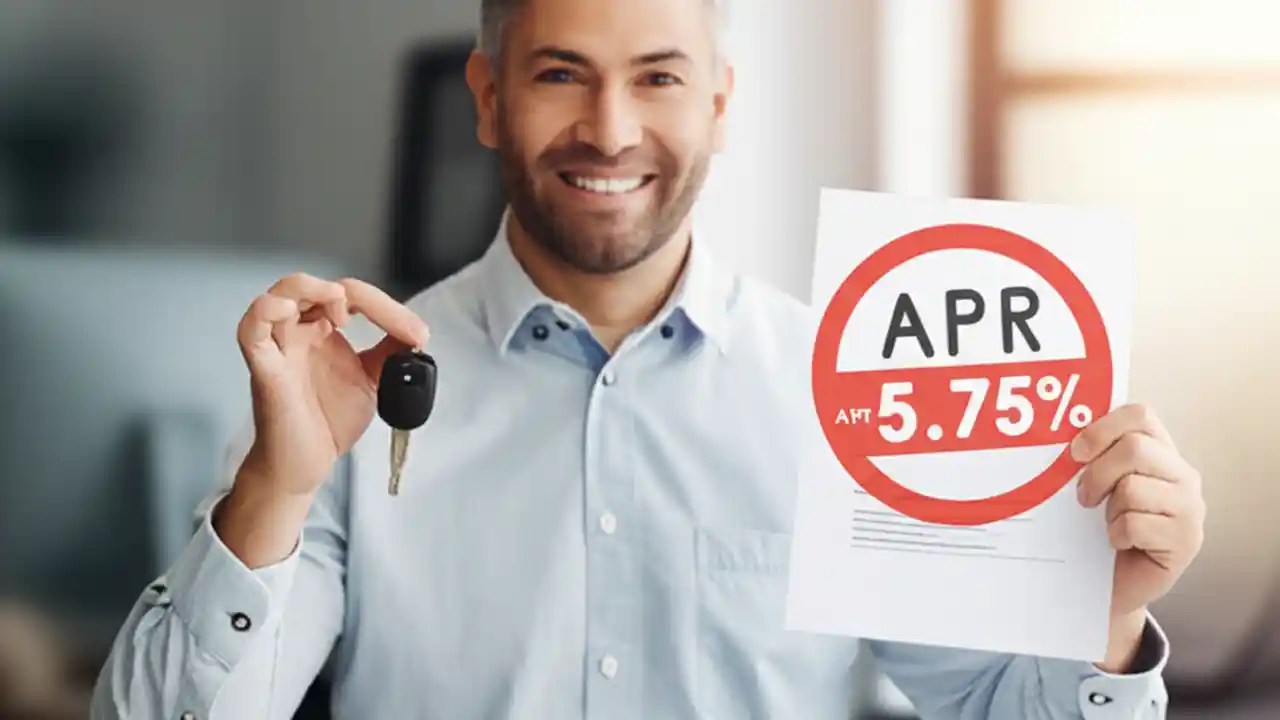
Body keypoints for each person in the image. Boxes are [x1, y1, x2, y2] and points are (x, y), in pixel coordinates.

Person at [91, 0, 1206, 717]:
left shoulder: (850, 395)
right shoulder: (347, 403)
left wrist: (1100, 622)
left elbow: (995, 702)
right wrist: (275, 487)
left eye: (659, 78)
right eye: (560, 74)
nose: (611, 129)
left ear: (719, 104)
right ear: (488, 99)